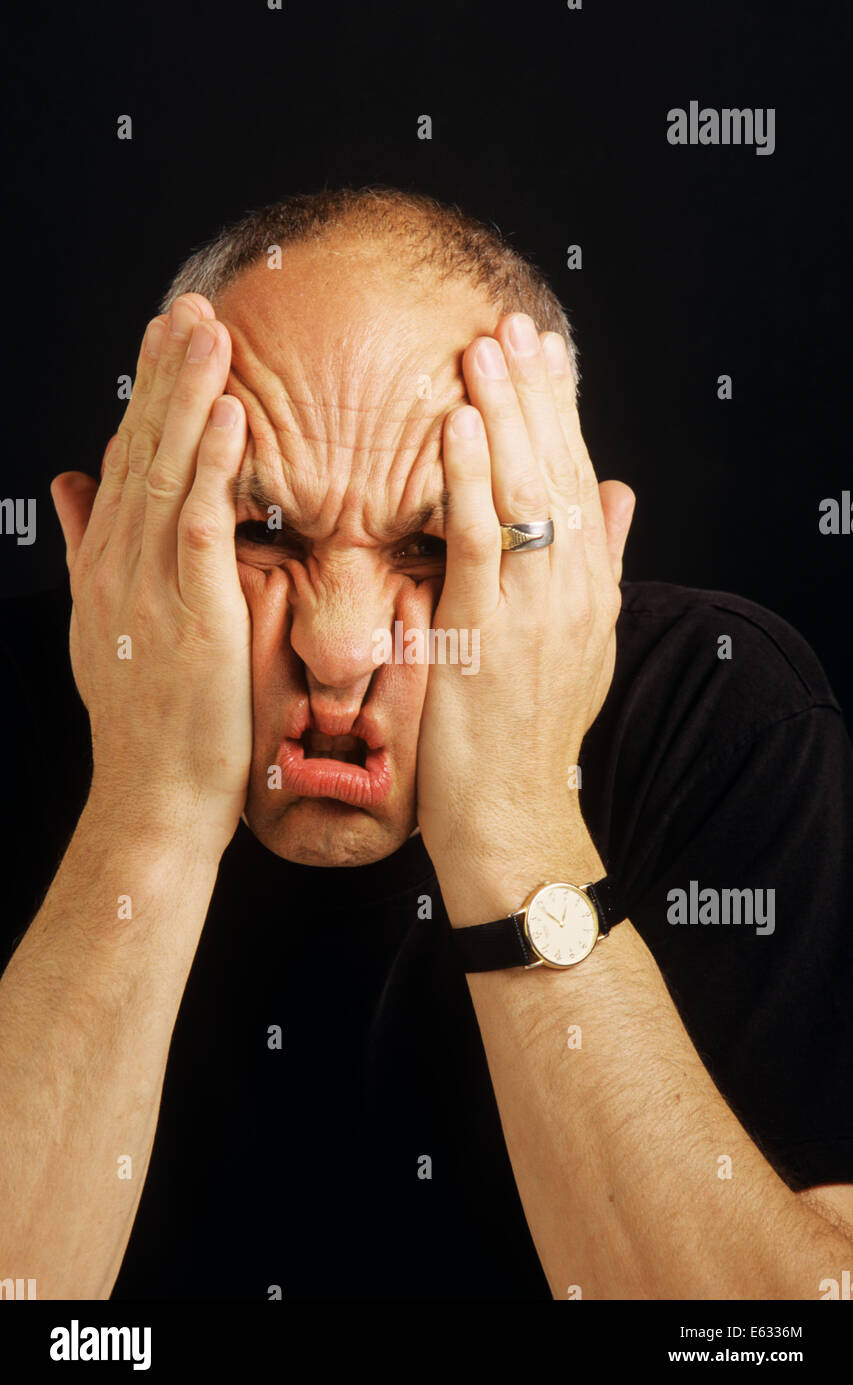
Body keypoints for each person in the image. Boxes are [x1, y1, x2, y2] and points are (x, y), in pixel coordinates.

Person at [1, 188, 851, 1301]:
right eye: (260, 531)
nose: (338, 647)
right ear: (99, 538)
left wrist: (513, 818)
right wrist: (148, 811)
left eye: (432, 545)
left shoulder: (722, 716)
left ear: (579, 566)